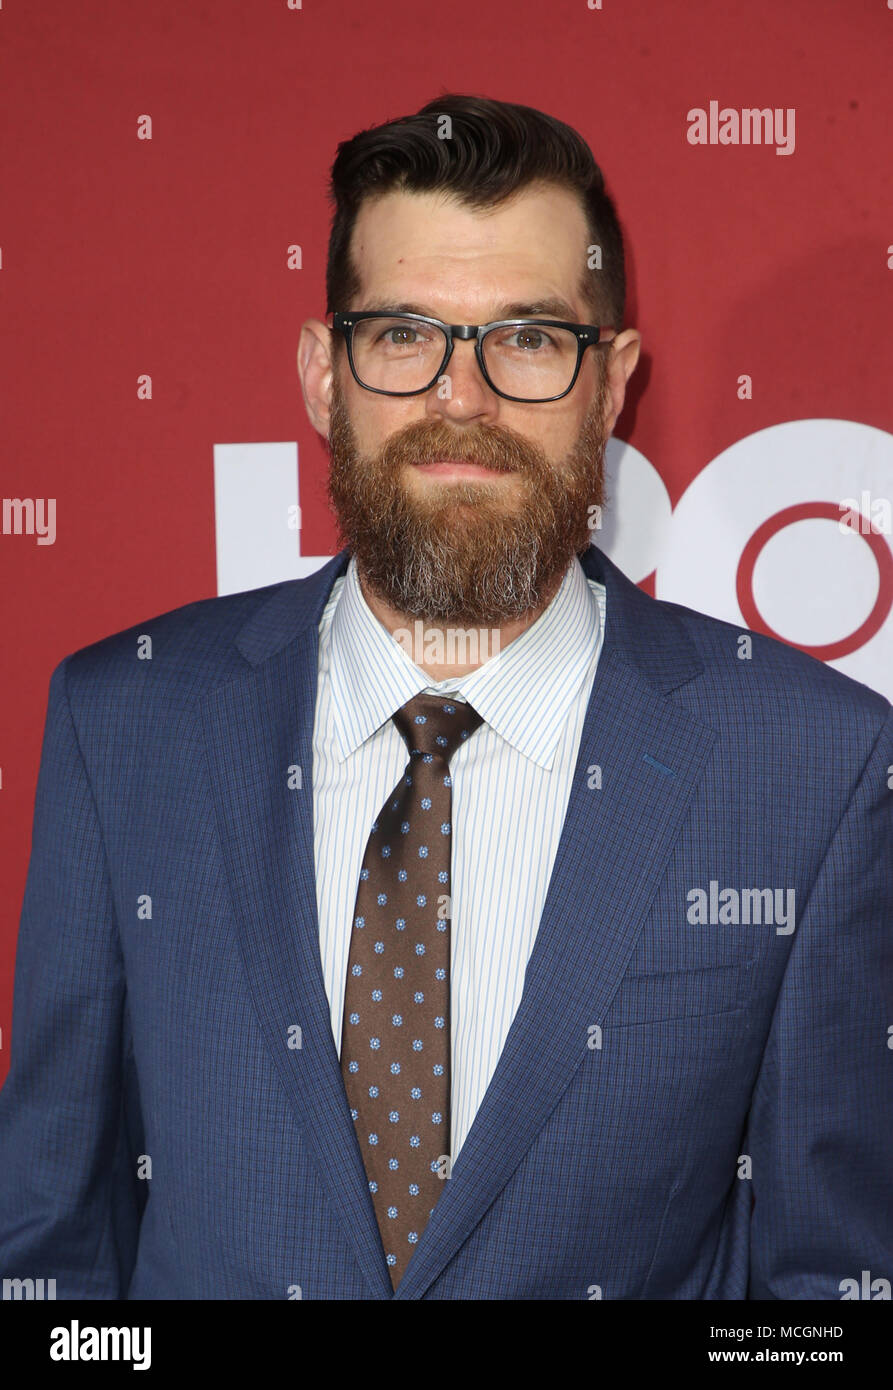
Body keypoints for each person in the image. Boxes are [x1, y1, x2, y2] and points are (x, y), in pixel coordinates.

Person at [0, 93, 890, 1301]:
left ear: (610, 382)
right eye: (402, 333)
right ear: (324, 375)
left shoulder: (809, 767)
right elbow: (51, 1250)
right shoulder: (126, 724)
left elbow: (827, 1295)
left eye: (526, 337)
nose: (460, 397)